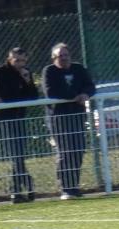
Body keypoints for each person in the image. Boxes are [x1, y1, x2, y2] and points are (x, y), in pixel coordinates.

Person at [41, 43, 96, 200]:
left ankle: (74, 186)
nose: (64, 58)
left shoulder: (78, 69)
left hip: (77, 116)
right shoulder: (49, 71)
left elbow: (90, 86)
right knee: (65, 151)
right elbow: (51, 91)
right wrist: (75, 96)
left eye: (66, 55)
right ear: (54, 58)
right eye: (60, 56)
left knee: (78, 150)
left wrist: (85, 94)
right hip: (58, 118)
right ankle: (66, 188)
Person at [0, 47, 40, 203]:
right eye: (16, 60)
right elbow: (4, 96)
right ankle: (23, 186)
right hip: (5, 119)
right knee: (16, 155)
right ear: (10, 58)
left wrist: (26, 81)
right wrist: (20, 93)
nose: (19, 63)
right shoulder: (1, 72)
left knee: (18, 155)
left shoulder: (26, 73)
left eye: (23, 60)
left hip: (20, 118)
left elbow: (33, 96)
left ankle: (18, 191)